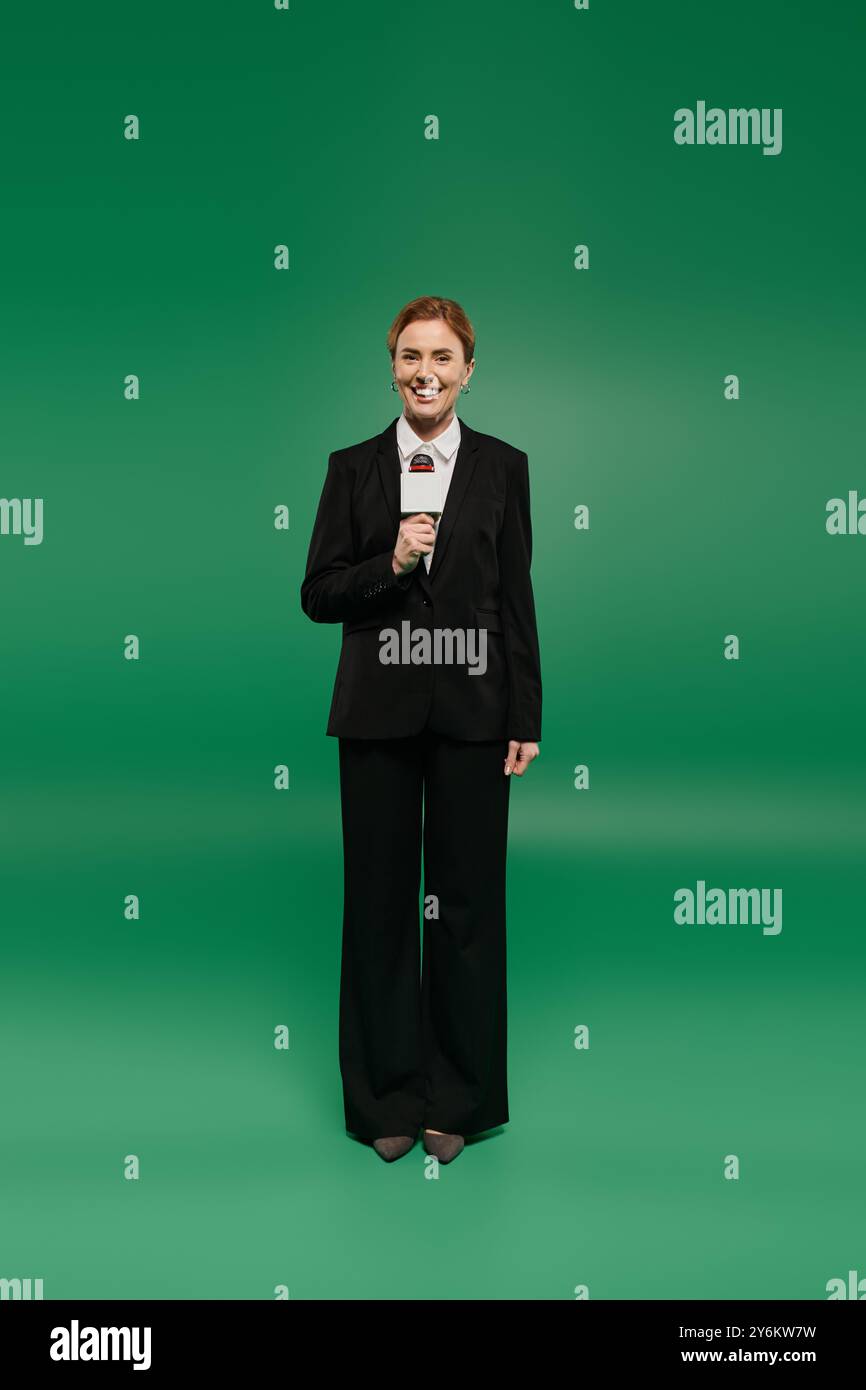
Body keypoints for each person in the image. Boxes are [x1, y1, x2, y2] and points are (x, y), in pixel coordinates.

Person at [300, 296, 542, 1164]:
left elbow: (515, 599)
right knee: (378, 906)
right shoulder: (352, 469)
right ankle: (385, 1099)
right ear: (392, 369)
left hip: (476, 715)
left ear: (468, 371)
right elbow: (318, 593)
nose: (425, 372)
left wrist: (525, 715)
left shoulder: (505, 467)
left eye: (442, 357)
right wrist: (391, 562)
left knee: (467, 906)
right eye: (410, 356)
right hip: (378, 715)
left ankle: (460, 1099)